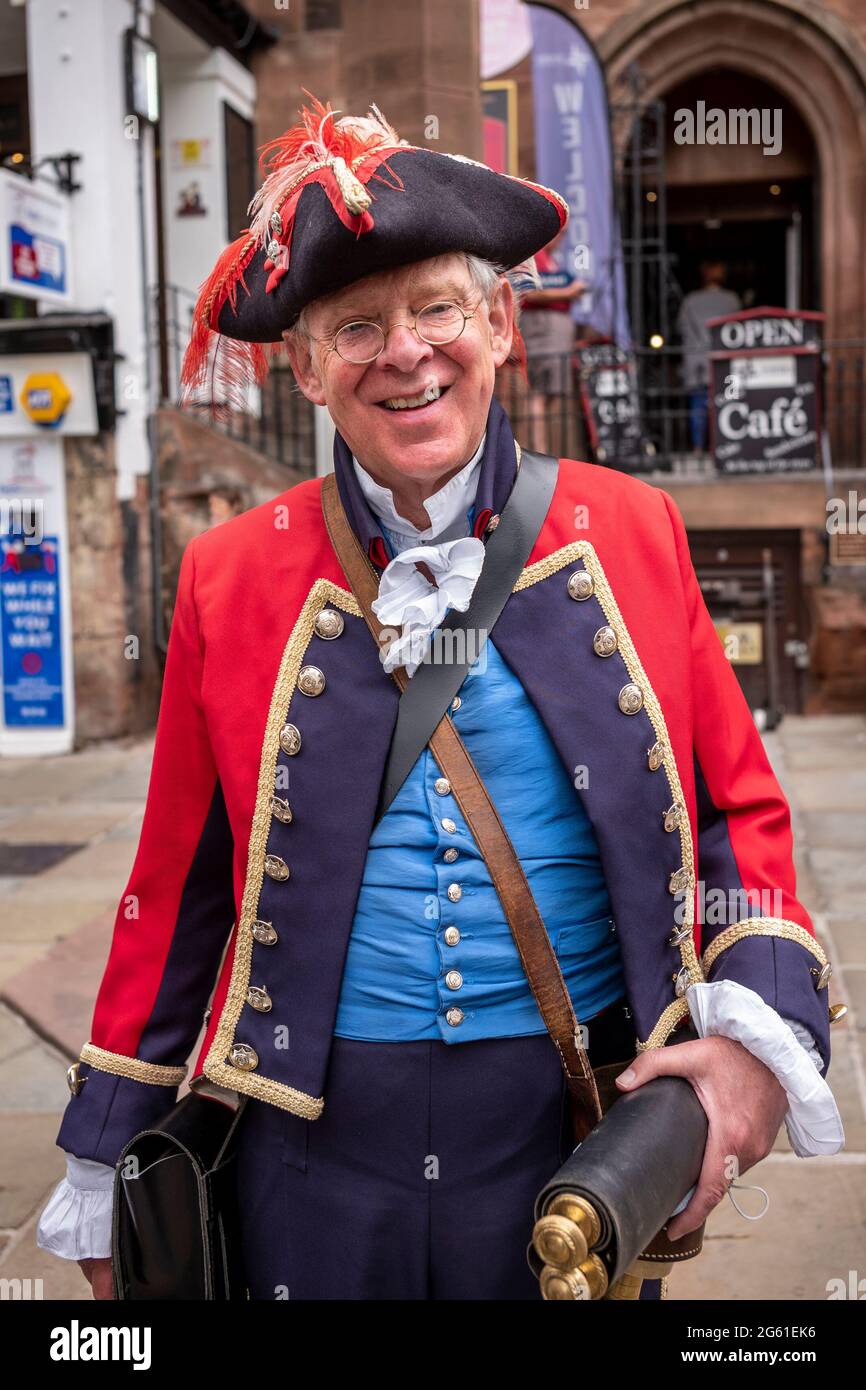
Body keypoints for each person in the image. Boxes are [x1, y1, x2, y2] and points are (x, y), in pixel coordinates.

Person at [37, 97, 842, 1302]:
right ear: (304, 368)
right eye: (353, 326)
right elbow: (181, 883)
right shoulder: (228, 571)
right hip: (309, 1155)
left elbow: (738, 821)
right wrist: (109, 1144)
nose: (403, 352)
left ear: (501, 324)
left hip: (568, 1134)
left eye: (435, 308)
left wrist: (750, 1047)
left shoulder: (631, 530)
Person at [518, 228, 585, 454]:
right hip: (543, 331)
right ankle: (540, 450)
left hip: (552, 332)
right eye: (560, 233)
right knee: (541, 394)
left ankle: (545, 450)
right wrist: (567, 293)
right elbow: (527, 292)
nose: (561, 239)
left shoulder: (547, 258)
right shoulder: (534, 257)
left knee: (550, 395)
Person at [677, 260, 741, 452]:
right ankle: (721, 446)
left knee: (698, 407)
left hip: (696, 361)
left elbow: (681, 327)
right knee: (725, 404)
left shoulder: (690, 300)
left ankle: (697, 446)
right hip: (723, 361)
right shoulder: (732, 300)